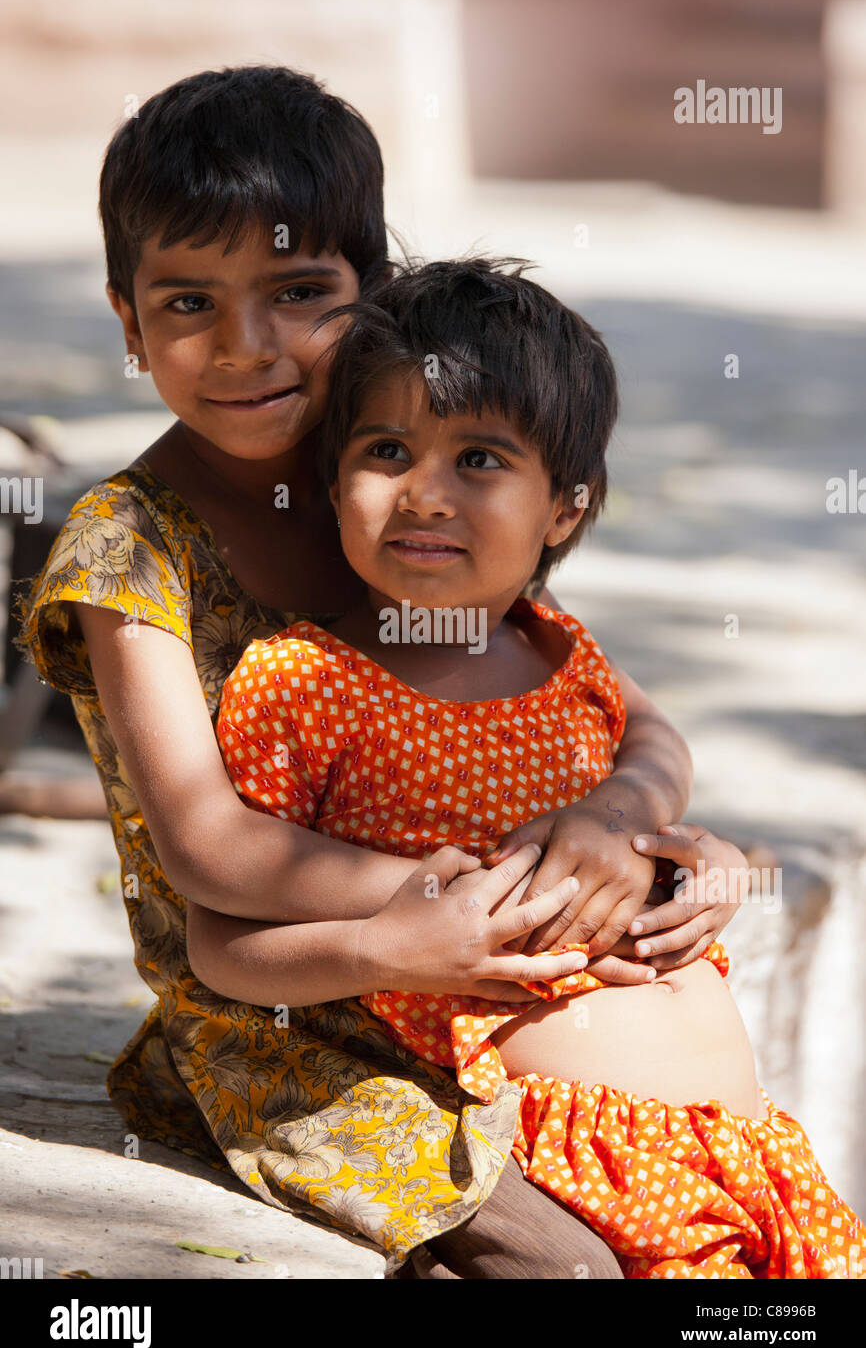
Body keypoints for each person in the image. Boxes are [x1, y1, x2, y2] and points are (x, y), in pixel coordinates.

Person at [16, 67, 729, 1280]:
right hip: (287, 1016)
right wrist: (451, 908)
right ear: (128, 323)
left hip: (476, 970)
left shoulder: (393, 477)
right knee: (570, 1264)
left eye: (298, 293)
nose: (245, 348)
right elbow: (209, 849)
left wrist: (627, 830)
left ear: (372, 293)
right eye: (189, 302)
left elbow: (619, 711)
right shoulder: (126, 548)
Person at [213, 258, 866, 1278]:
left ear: (561, 509)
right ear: (333, 479)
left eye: (477, 458)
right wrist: (383, 949)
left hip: (738, 1158)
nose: (424, 492)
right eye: (386, 449)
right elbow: (225, 946)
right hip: (565, 1162)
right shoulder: (303, 682)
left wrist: (648, 830)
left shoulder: (554, 645)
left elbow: (654, 747)